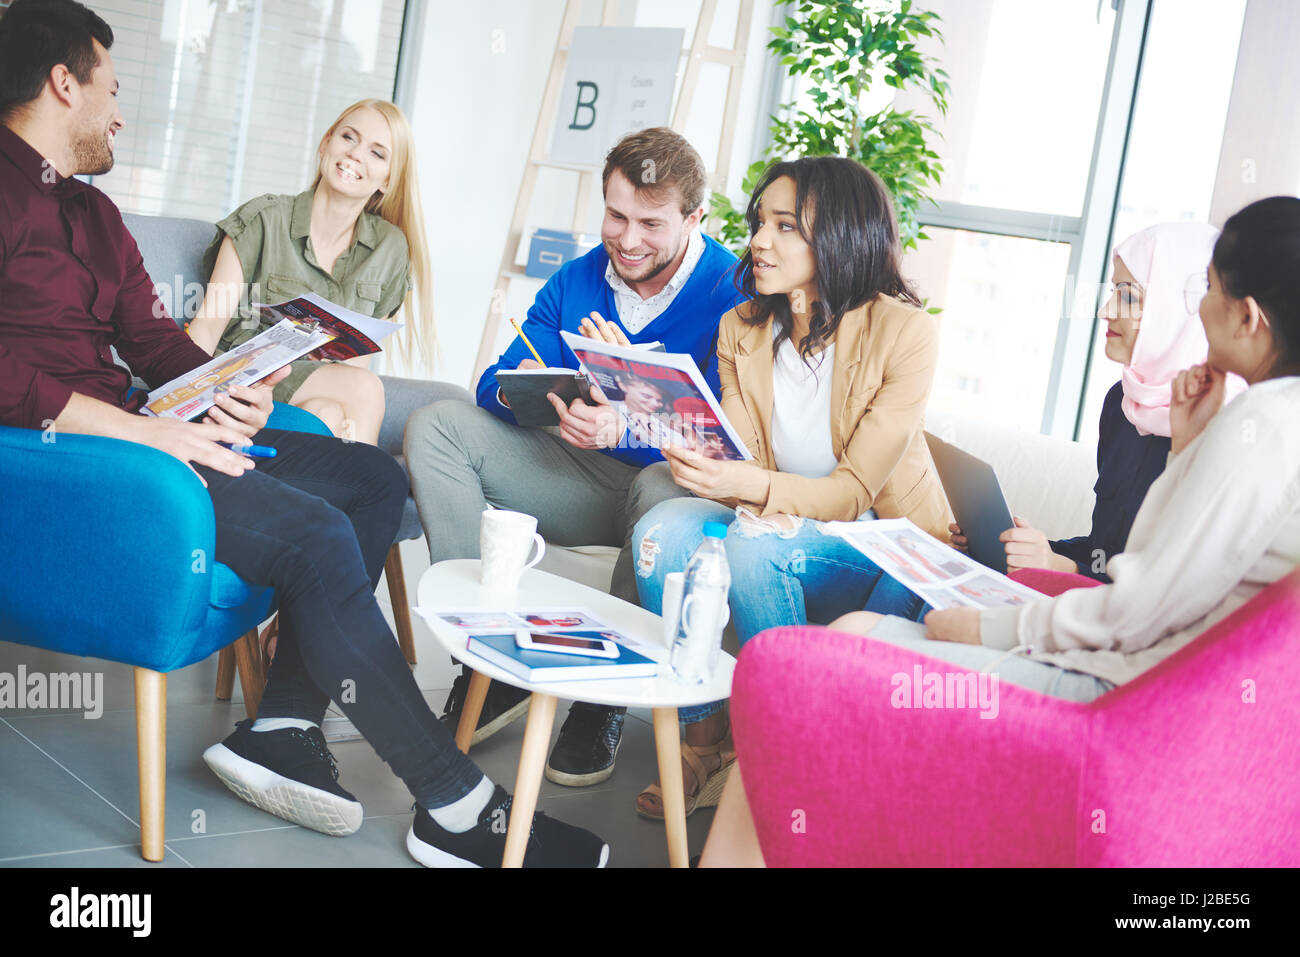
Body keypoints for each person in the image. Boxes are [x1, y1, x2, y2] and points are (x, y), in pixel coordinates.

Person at [0, 0, 604, 867]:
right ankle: (457, 804)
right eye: (112, 89)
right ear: (65, 83)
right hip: (82, 459)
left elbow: (156, 341)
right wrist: (146, 434)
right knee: (316, 533)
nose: (121, 112)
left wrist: (222, 388)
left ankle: (282, 722)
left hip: (140, 430)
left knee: (371, 480)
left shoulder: (96, 217)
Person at [702, 194, 1300, 866]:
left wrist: (982, 627)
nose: (1198, 307)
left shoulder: (1258, 432)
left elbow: (1135, 605)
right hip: (1141, 690)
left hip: (1117, 710)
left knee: (788, 674)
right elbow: (1166, 573)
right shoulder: (1267, 425)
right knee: (852, 634)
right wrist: (1187, 451)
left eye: (1209, 291)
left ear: (1248, 318)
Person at [404, 127, 745, 788]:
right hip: (576, 476)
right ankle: (486, 660)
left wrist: (628, 411)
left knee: (659, 478)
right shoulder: (577, 276)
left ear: (695, 217)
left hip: (666, 490)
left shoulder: (730, 293)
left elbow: (724, 440)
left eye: (651, 222)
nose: (627, 238)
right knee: (437, 423)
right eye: (616, 215)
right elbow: (492, 384)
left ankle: (601, 699)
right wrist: (565, 391)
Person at [628, 156, 954, 819]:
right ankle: (704, 734)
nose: (759, 242)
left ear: (838, 235)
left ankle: (780, 752)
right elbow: (740, 461)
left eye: (785, 227)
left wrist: (748, 486)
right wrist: (679, 437)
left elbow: (850, 490)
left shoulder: (905, 333)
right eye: (759, 223)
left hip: (878, 543)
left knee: (751, 546)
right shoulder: (742, 329)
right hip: (772, 522)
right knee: (657, 533)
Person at [950, 222, 1241, 582]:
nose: (1106, 310)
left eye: (1128, 296)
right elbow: (1103, 553)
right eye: (1113, 292)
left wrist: (1056, 566)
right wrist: (1022, 547)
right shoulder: (1121, 405)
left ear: (1180, 311)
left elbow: (1164, 590)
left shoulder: (1222, 428)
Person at [187, 98, 434, 444]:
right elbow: (208, 327)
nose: (356, 154)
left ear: (388, 181)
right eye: (349, 137)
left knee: (330, 412)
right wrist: (180, 408)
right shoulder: (264, 218)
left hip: (314, 390)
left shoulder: (390, 249)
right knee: (364, 389)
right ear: (326, 143)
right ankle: (369, 490)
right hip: (244, 382)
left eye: (377, 153)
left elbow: (355, 360)